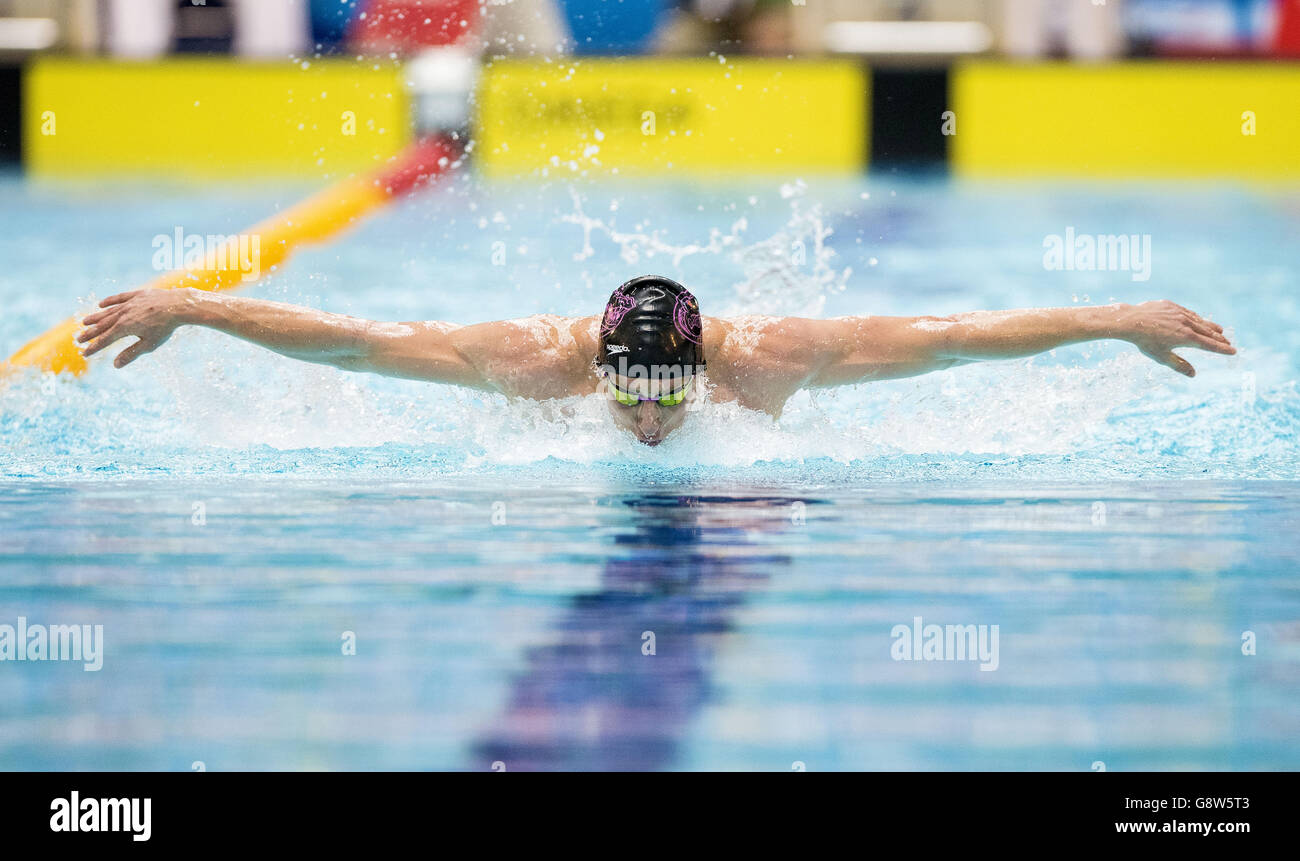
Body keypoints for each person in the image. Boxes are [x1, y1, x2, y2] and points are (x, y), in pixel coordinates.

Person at [77, 275, 1236, 446]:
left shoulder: (774, 362)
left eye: (661, 398)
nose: (641, 425)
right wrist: (197, 303)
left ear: (699, 372)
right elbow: (357, 343)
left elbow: (962, 340)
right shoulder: (535, 365)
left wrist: (1117, 315)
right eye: (627, 397)